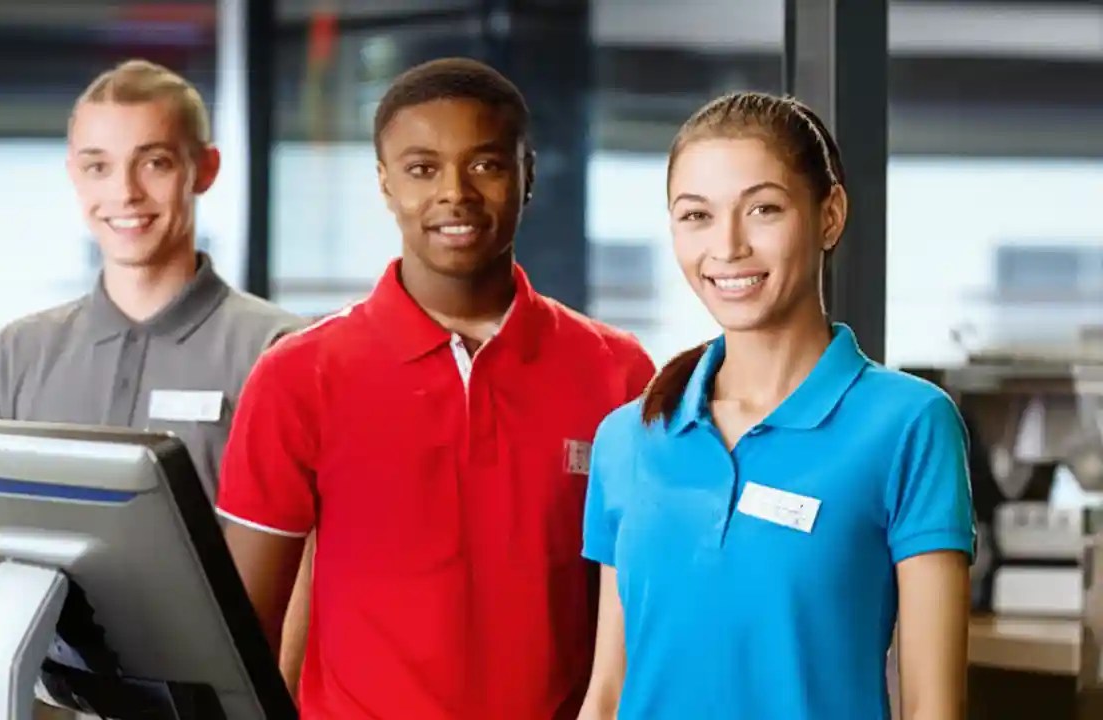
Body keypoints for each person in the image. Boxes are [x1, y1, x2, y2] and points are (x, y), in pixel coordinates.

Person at [0, 59, 305, 719]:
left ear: (205, 169)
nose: (125, 193)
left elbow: (310, 575)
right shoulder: (20, 351)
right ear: (74, 174)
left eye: (155, 162)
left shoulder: (281, 352)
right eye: (98, 165)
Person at [214, 57, 656, 720]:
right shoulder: (297, 376)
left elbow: (642, 616)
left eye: (486, 164)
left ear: (527, 175)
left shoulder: (617, 373)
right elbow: (242, 639)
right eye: (423, 168)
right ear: (386, 184)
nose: (455, 192)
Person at [576, 91, 974, 720]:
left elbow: (933, 706)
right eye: (696, 216)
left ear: (830, 215)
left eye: (762, 209)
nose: (728, 246)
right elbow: (607, 692)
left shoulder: (908, 425)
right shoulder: (627, 438)